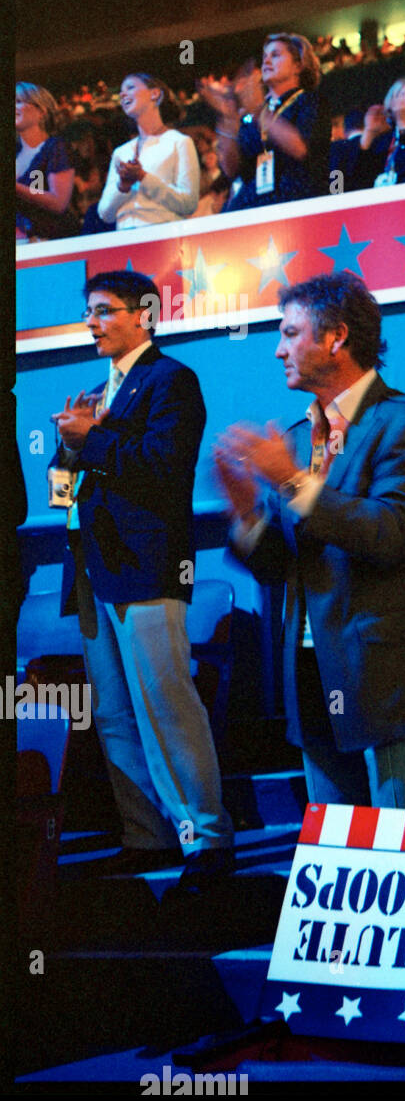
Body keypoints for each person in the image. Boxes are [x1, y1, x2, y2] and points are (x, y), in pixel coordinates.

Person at [215, 273, 405, 807]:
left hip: (393, 682)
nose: (277, 349)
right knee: (342, 862)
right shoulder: (292, 439)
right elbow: (279, 568)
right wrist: (244, 512)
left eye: (290, 334)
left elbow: (396, 534)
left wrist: (291, 482)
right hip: (311, 679)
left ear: (335, 337)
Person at [49, 270, 235, 893]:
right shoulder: (100, 392)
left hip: (147, 566)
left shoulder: (170, 380)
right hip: (93, 569)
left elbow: (161, 468)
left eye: (104, 311)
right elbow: (75, 482)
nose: (93, 322)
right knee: (114, 712)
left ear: (144, 315)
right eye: (89, 312)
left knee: (167, 705)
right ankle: (145, 834)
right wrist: (68, 449)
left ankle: (207, 838)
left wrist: (92, 438)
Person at [199, 32, 331, 211]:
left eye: (275, 55)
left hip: (295, 201)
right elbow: (231, 169)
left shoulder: (310, 101)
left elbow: (300, 149)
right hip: (252, 204)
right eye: (264, 57)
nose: (266, 62)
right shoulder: (252, 114)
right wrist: (227, 116)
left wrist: (259, 110)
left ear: (298, 66)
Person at [96, 74, 199, 229]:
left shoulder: (179, 142)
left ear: (154, 93)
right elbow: (105, 213)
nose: (122, 94)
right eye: (121, 91)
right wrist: (122, 186)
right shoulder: (121, 152)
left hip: (163, 235)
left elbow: (188, 203)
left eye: (130, 87)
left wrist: (143, 178)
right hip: (125, 241)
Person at [16, 82, 75, 244]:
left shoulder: (54, 148)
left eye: (18, 101)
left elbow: (58, 202)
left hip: (49, 242)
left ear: (41, 111)